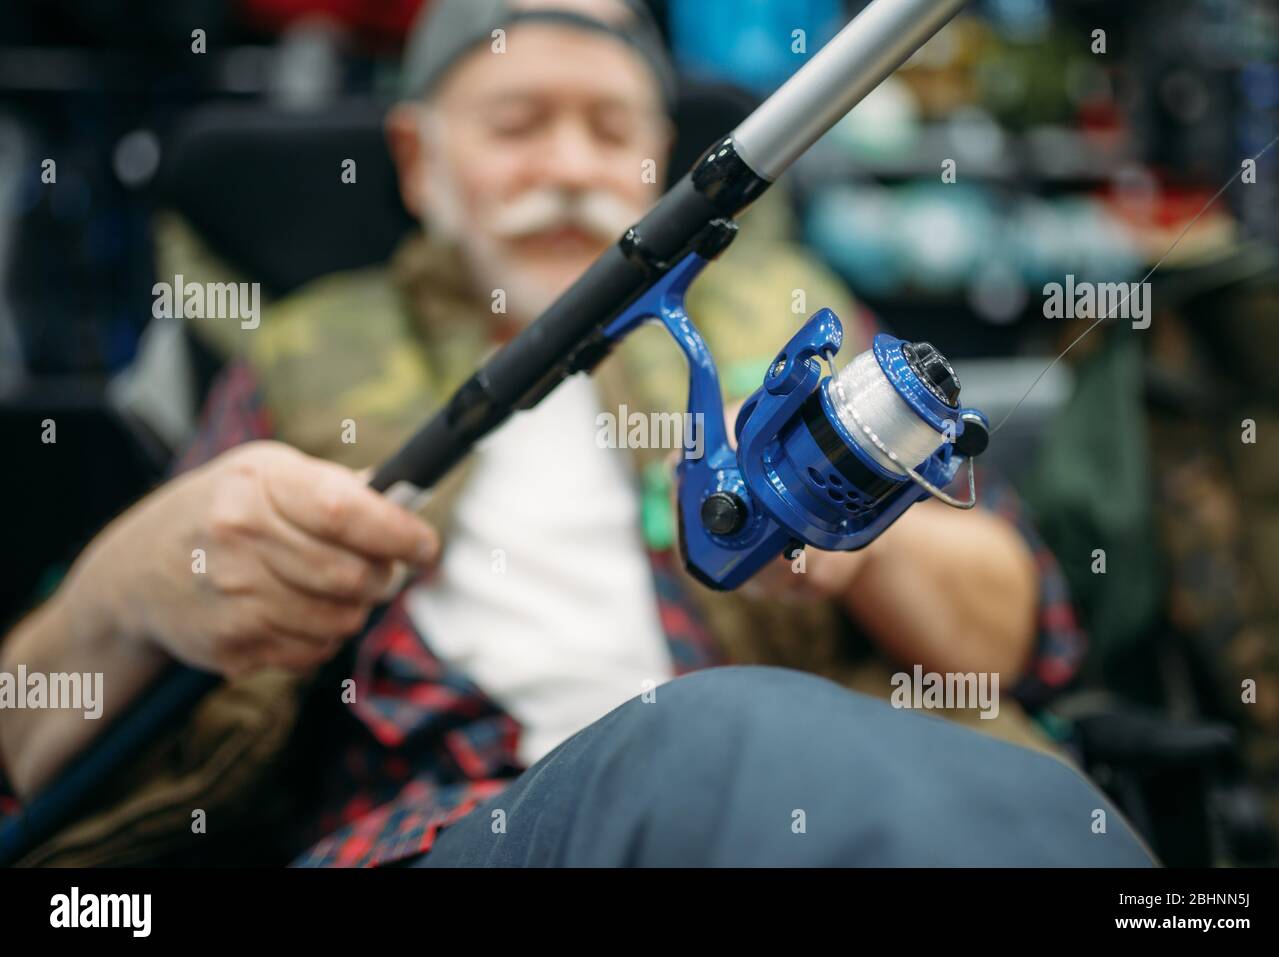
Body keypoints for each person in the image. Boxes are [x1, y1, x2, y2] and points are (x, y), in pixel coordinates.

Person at [0, 0, 1139, 866]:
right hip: (471, 825)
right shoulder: (297, 360)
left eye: (608, 130)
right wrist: (128, 587)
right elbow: (27, 732)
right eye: (515, 124)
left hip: (824, 808)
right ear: (415, 160)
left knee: (1056, 813)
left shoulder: (794, 317)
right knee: (718, 740)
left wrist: (839, 528)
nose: (567, 169)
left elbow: (1012, 642)